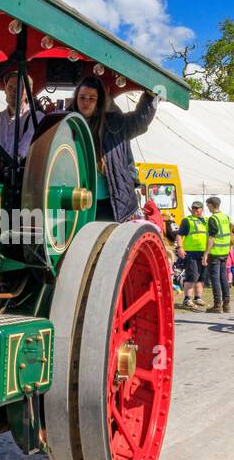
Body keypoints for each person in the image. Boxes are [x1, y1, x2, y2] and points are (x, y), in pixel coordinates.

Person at [71, 75, 157, 224]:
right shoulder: (67, 124)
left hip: (110, 202)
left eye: (92, 98)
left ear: (99, 101)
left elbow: (140, 121)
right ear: (76, 98)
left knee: (106, 242)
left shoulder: (114, 124)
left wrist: (151, 96)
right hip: (77, 201)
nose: (86, 102)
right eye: (82, 97)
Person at [0, 72, 42, 162]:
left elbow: (23, 149)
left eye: (19, 88)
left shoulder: (36, 118)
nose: (13, 91)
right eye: (10, 87)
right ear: (5, 89)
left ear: (28, 91)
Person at [175, 201, 209, 311]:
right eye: (194, 208)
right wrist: (180, 247)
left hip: (203, 253)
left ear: (202, 209)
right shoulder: (187, 221)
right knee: (191, 276)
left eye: (198, 208)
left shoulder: (206, 221)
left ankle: (197, 298)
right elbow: (179, 235)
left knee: (201, 277)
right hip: (191, 253)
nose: (196, 210)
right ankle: (187, 299)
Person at [203, 196, 234, 313]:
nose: (207, 207)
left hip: (215, 252)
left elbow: (211, 238)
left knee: (215, 278)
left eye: (207, 205)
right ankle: (226, 304)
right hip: (225, 251)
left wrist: (206, 253)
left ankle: (217, 305)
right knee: (223, 277)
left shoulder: (213, 219)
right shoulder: (225, 217)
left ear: (211, 205)